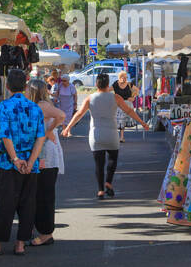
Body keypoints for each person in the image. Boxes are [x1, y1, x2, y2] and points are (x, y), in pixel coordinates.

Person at [0, 68, 44, 256]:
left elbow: (4, 136)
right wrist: (31, 161)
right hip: (31, 164)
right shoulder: (35, 108)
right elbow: (40, 137)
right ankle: (21, 243)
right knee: (28, 204)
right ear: (25, 86)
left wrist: (15, 159)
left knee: (4, 204)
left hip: (10, 163)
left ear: (7, 86)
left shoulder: (5, 106)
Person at [62, 71, 149, 199]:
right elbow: (129, 111)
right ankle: (108, 182)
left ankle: (100, 190)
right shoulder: (116, 97)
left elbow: (79, 114)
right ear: (108, 84)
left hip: (96, 134)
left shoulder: (90, 98)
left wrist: (68, 128)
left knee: (99, 164)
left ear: (96, 84)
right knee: (113, 160)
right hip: (112, 133)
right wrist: (142, 123)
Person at [26, 78, 66, 246]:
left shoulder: (41, 105)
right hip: (43, 152)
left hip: (46, 154)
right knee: (40, 193)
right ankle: (43, 230)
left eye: (28, 90)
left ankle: (46, 233)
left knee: (44, 195)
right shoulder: (40, 104)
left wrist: (49, 130)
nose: (25, 92)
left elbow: (61, 116)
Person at [113, 69, 135, 143]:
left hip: (127, 104)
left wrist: (133, 97)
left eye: (125, 77)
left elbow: (137, 90)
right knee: (117, 121)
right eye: (122, 77)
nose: (124, 78)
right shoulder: (116, 84)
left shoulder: (129, 84)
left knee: (122, 121)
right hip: (118, 104)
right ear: (119, 77)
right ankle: (117, 137)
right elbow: (108, 90)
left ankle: (121, 137)